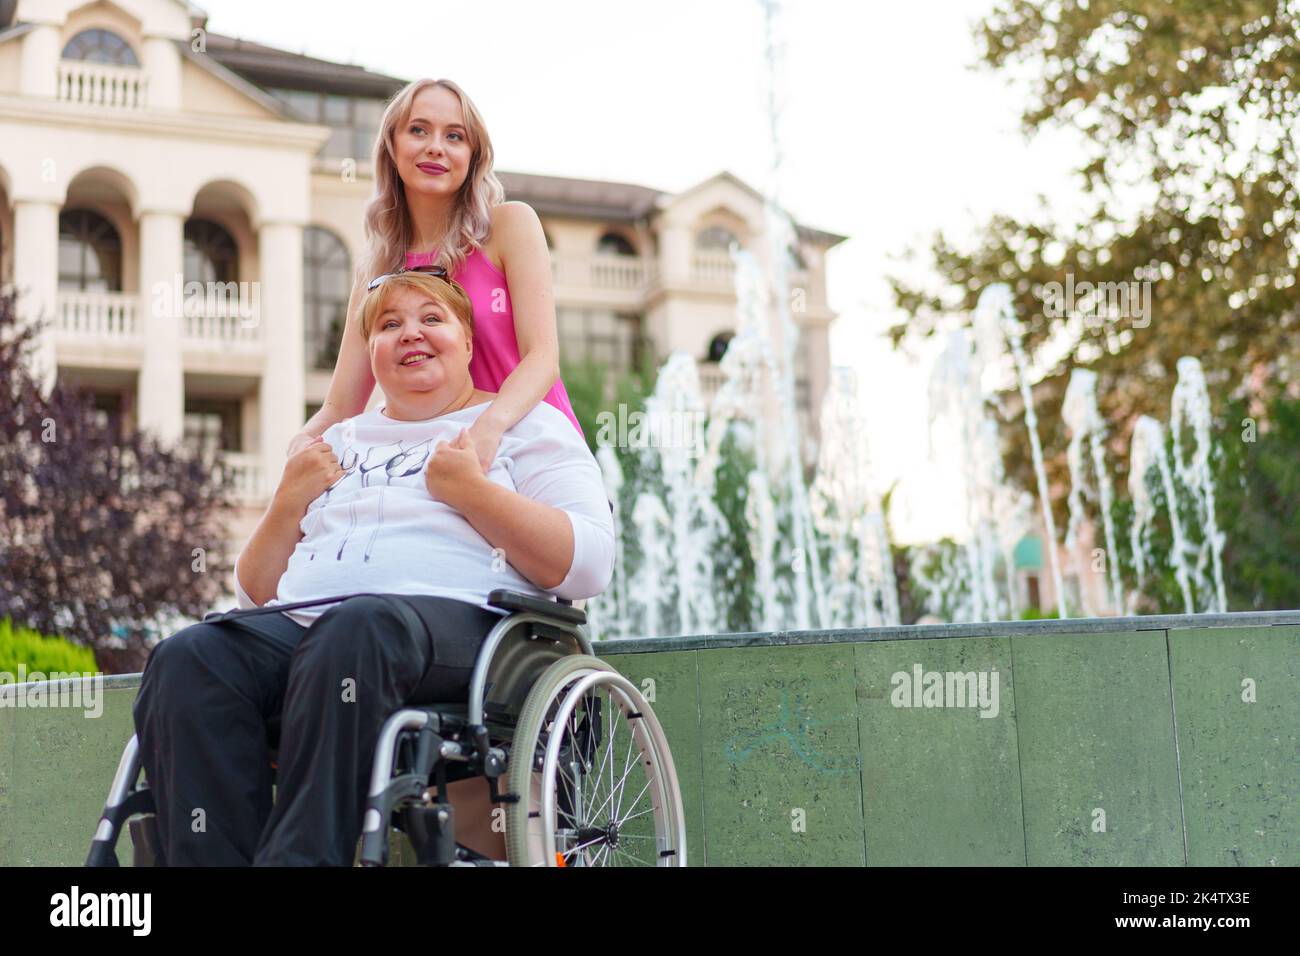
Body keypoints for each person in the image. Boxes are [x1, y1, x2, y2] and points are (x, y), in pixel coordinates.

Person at [132, 270, 615, 866]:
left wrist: (472, 494)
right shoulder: (335, 440)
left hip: (467, 641)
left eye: (432, 319)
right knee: (190, 657)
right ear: (372, 353)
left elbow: (589, 564)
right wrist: (287, 503)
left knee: (358, 627)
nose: (410, 333)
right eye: (389, 325)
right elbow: (256, 596)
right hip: (320, 640)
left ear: (468, 342)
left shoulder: (522, 426)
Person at [288, 77, 582, 475]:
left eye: (455, 136)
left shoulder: (509, 226)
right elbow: (341, 406)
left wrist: (489, 426)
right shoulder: (377, 267)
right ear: (392, 146)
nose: (435, 147)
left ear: (473, 155)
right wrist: (301, 444)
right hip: (444, 467)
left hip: (533, 449)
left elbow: (543, 357)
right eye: (419, 130)